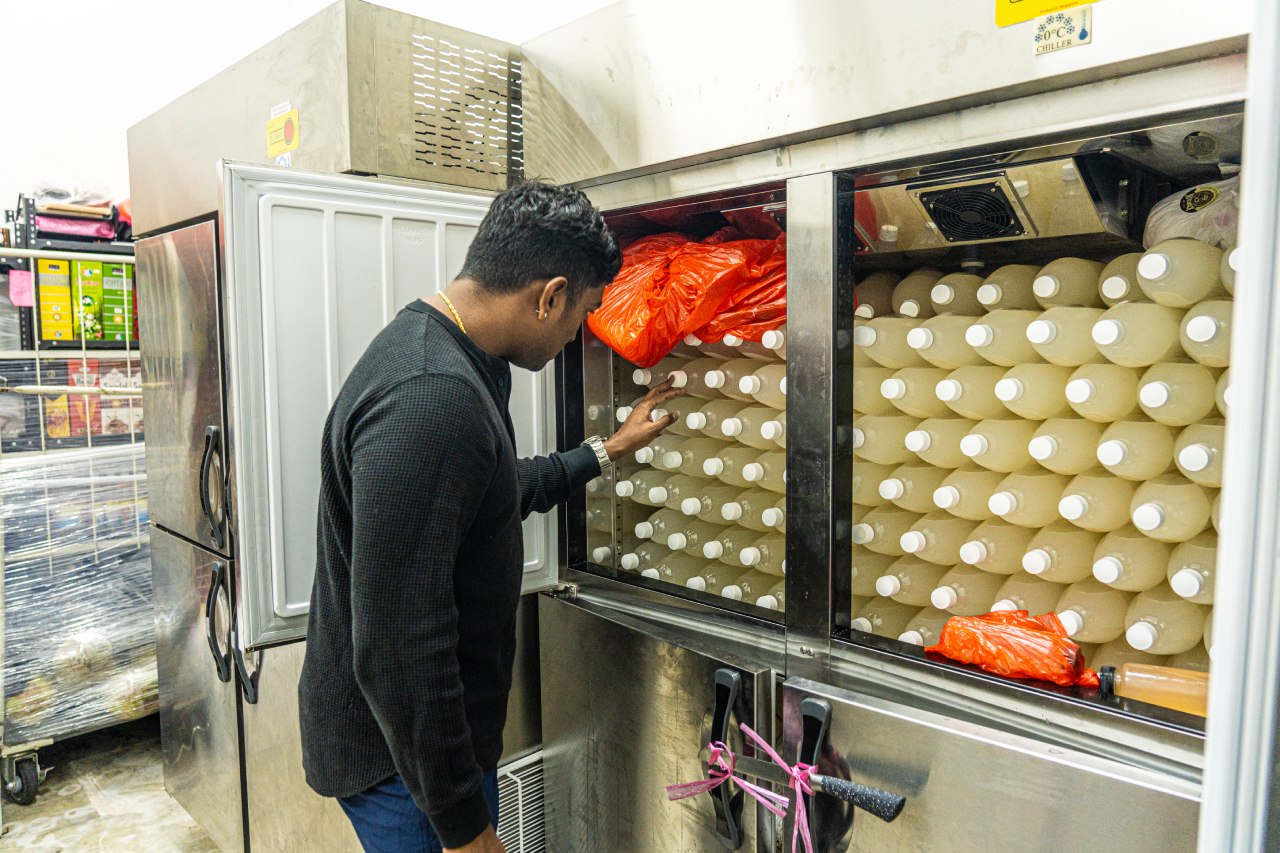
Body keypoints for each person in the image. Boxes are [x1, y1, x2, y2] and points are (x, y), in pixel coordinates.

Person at [298, 181, 679, 853]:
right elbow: (398, 647)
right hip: (406, 768)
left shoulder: (450, 351)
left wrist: (608, 449)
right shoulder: (432, 397)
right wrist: (463, 827)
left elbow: (489, 492)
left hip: (424, 751)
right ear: (549, 295)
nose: (575, 335)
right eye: (581, 314)